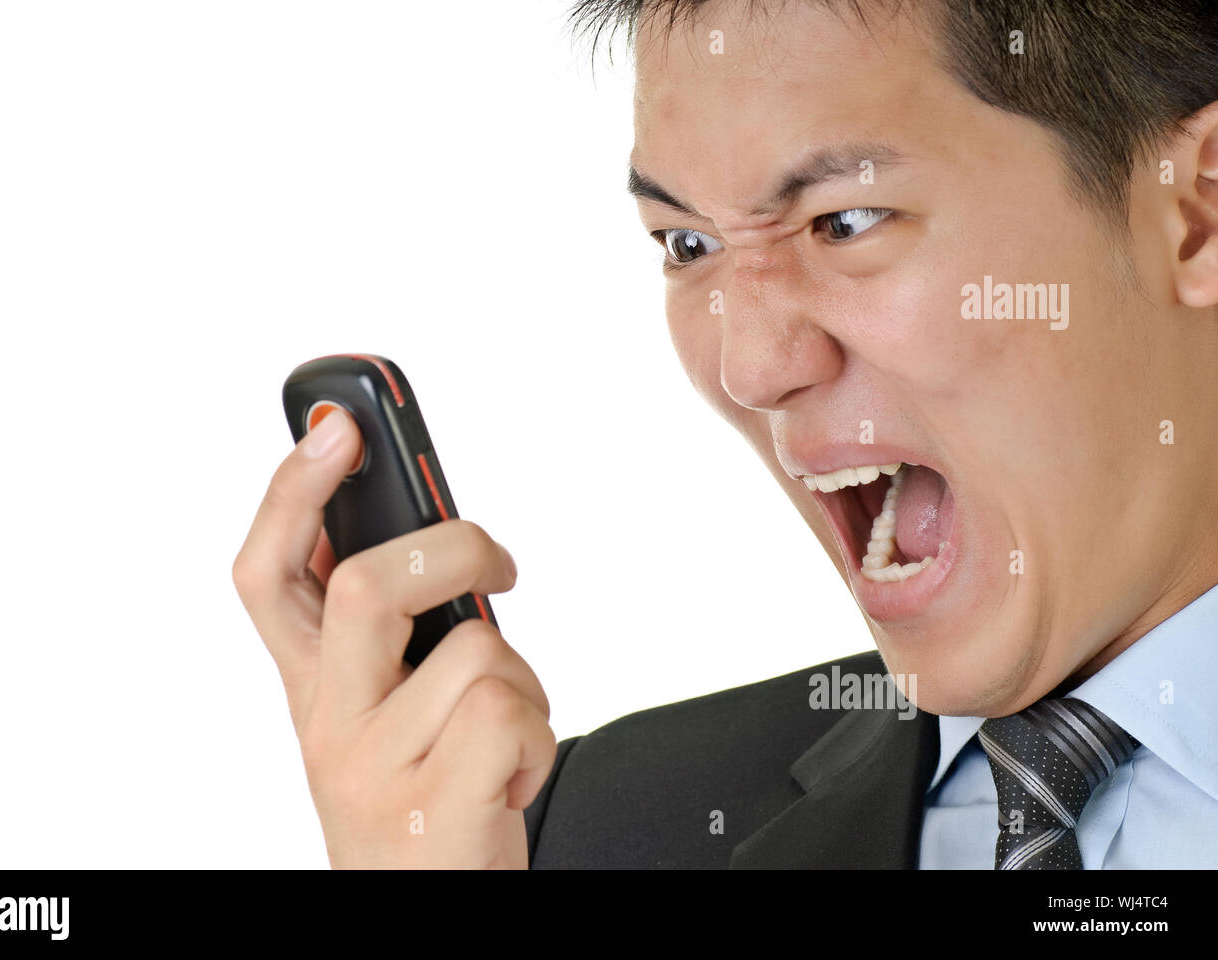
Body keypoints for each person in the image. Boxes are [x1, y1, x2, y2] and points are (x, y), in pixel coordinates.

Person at [233, 0, 1218, 868]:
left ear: (1191, 215)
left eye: (845, 220)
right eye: (688, 245)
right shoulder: (578, 826)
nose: (747, 365)